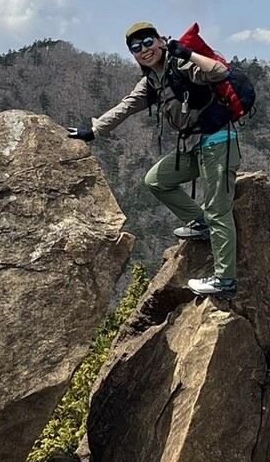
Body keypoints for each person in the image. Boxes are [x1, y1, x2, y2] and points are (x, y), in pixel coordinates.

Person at [68, 21, 241, 298]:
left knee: (219, 210)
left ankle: (225, 281)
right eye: (136, 48)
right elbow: (124, 107)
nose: (144, 50)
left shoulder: (181, 65)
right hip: (194, 147)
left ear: (160, 40)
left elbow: (220, 72)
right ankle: (200, 223)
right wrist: (94, 131)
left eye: (148, 42)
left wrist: (187, 54)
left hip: (218, 144)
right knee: (156, 180)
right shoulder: (151, 82)